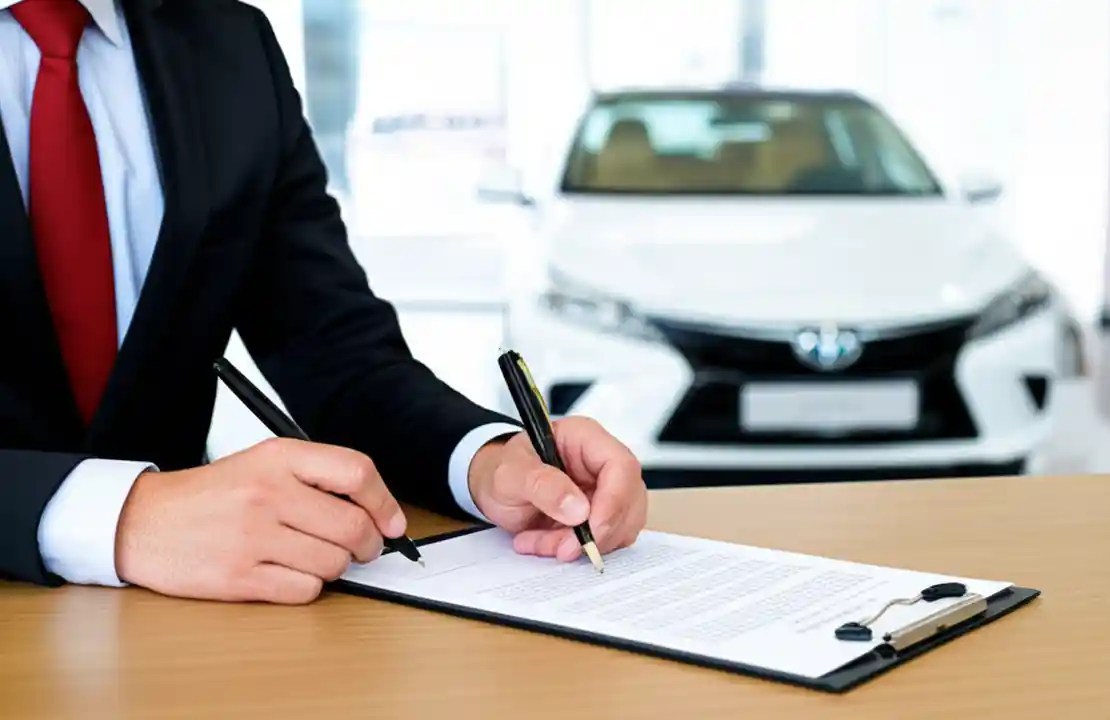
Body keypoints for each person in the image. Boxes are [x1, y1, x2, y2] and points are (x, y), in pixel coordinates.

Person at [0, 0, 647, 603]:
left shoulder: (226, 42)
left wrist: (487, 462)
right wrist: (116, 514)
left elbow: (335, 355)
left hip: (186, 624)